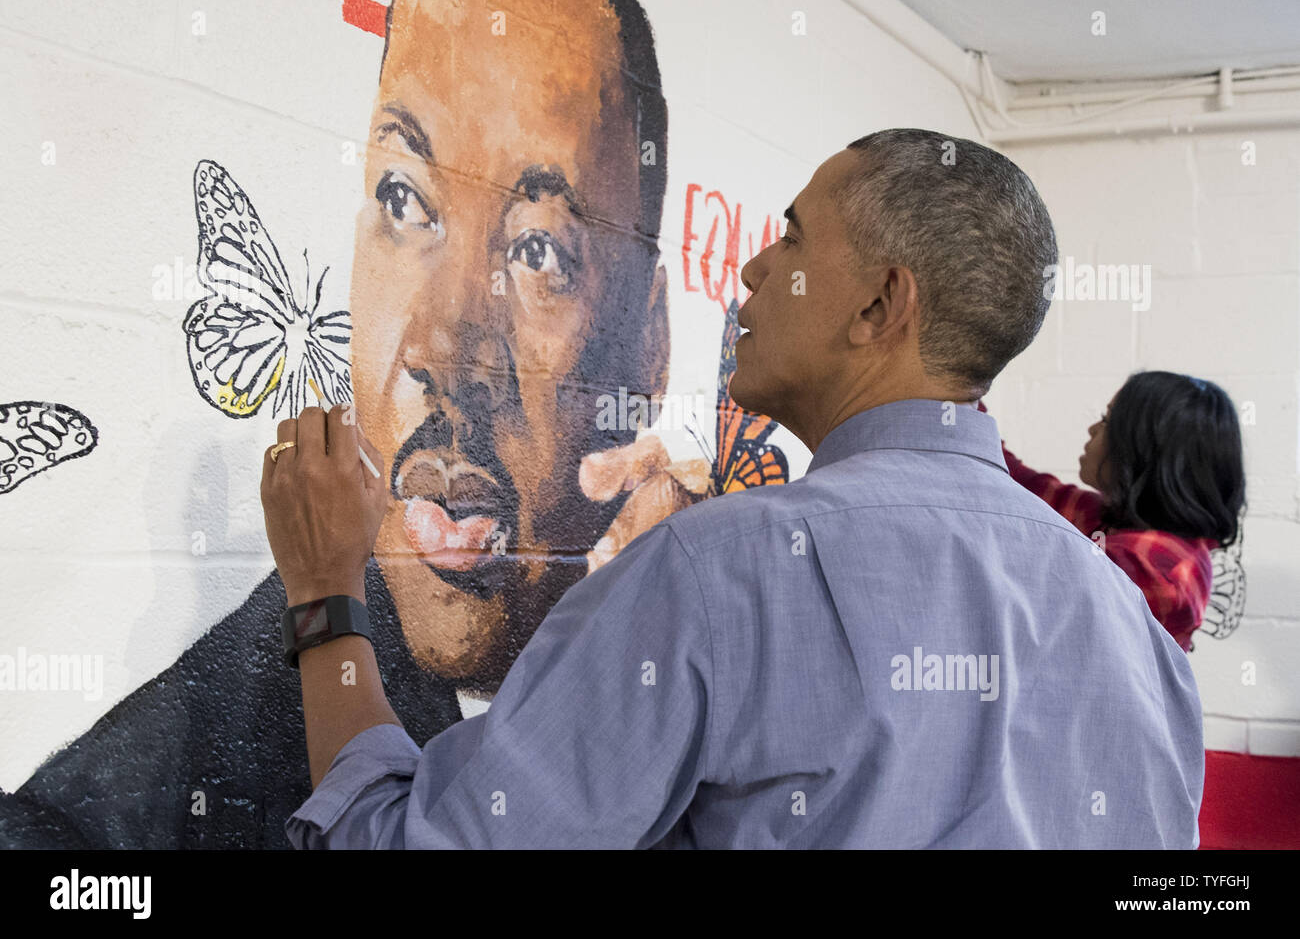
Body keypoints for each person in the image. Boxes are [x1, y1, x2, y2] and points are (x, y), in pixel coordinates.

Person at [263, 129, 1205, 848]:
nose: (753, 266)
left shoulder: (719, 571)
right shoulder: (1137, 642)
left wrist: (323, 593)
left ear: (880, 305)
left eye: (792, 240)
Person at [0, 0, 704, 849]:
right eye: (404, 202)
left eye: (538, 251)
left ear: (651, 345)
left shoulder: (682, 686)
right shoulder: (116, 809)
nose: (443, 345)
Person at [980, 372, 1246, 652]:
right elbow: (1025, 483)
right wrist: (966, 400)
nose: (1093, 429)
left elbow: (1018, 601)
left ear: (1144, 448)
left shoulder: (1153, 567)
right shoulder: (1120, 525)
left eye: (1108, 421)